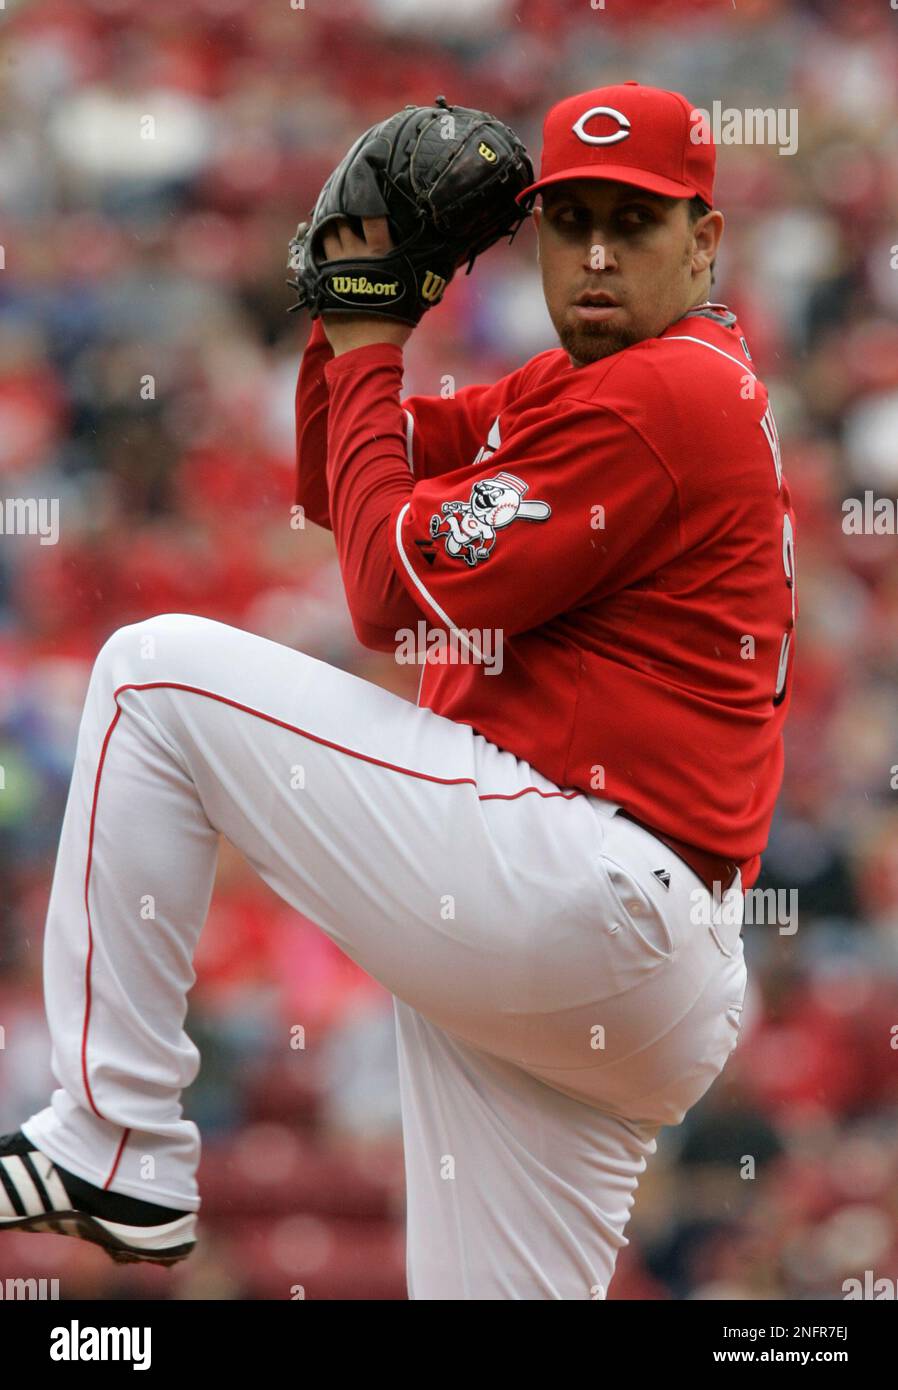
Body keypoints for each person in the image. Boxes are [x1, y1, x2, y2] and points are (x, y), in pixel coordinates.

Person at [0, 81, 795, 1300]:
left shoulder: (664, 395)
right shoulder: (588, 387)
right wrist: (352, 315)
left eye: (631, 223)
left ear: (705, 237)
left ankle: (120, 1147)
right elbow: (343, 477)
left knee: (150, 677)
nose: (590, 252)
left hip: (586, 885)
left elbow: (381, 589)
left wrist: (371, 331)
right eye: (565, 219)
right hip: (612, 969)